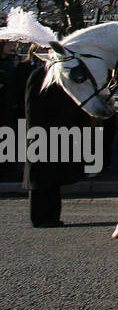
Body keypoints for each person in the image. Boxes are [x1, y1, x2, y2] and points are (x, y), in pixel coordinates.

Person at [22, 45, 93, 227]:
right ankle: (40, 217)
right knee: (40, 179)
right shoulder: (38, 75)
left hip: (58, 131)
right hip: (41, 132)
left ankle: (52, 215)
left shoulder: (55, 74)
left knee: (53, 179)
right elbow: (32, 108)